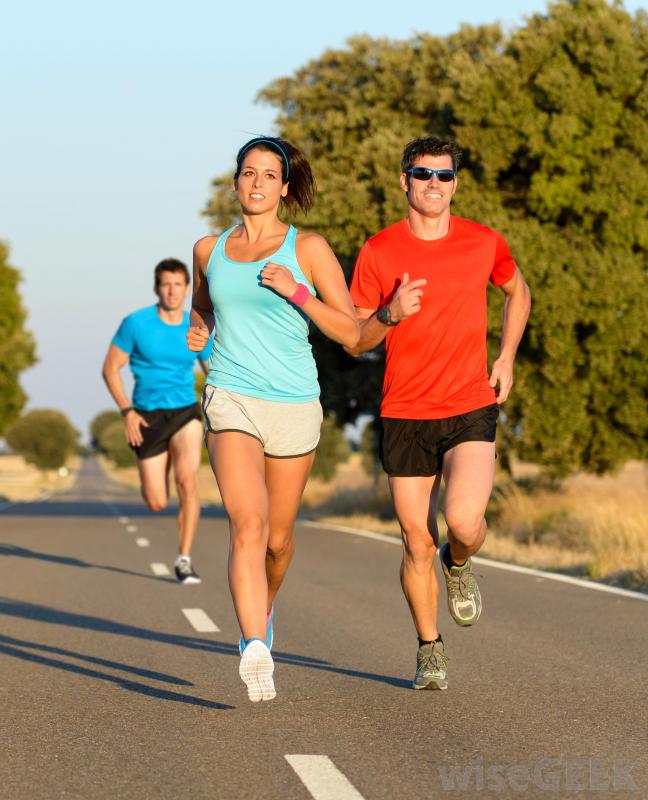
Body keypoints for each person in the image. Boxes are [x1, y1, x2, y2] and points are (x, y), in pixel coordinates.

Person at [347, 136, 531, 690]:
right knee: (414, 540)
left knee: (465, 522)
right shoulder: (378, 251)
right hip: (405, 410)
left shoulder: (482, 242)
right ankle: (429, 646)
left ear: (455, 183)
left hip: (470, 401)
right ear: (404, 180)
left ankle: (459, 561)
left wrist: (506, 357)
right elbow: (355, 337)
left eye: (444, 176)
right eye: (423, 174)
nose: (434, 184)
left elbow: (517, 292)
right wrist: (390, 312)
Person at [187, 135, 359, 702]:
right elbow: (204, 307)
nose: (257, 183)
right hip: (231, 395)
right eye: (248, 173)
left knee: (278, 543)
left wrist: (299, 292)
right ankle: (254, 641)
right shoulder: (208, 250)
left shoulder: (307, 248)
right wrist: (202, 334)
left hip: (293, 402)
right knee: (248, 525)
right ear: (235, 182)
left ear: (284, 187)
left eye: (268, 175)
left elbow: (353, 331)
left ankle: (266, 609)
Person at [102, 258, 212, 584]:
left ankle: (184, 559)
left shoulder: (195, 326)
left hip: (184, 411)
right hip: (145, 415)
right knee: (156, 501)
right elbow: (110, 368)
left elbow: (211, 371)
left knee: (188, 482)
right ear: (156, 288)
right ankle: (154, 470)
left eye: (179, 284)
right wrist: (126, 412)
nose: (172, 291)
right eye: (166, 284)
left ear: (187, 288)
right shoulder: (136, 324)